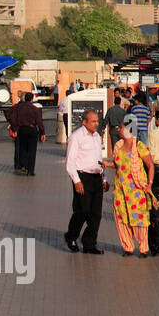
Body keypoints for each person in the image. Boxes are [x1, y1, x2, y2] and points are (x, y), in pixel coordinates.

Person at [110, 120, 158, 258]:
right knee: (121, 218)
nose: (119, 129)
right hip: (120, 190)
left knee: (140, 219)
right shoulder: (118, 146)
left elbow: (150, 165)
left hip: (136, 190)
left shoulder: (139, 146)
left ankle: (143, 248)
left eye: (122, 127)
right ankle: (128, 247)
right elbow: (117, 164)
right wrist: (108, 164)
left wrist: (149, 183)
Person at [64, 109, 108, 254]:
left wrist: (104, 177)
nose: (96, 124)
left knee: (96, 214)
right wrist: (76, 181)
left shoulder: (96, 136)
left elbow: (98, 159)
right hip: (82, 177)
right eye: (93, 121)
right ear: (84, 122)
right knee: (82, 210)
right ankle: (71, 236)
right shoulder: (76, 137)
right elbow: (70, 161)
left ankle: (89, 243)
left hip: (96, 177)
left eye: (97, 121)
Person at [13, 91, 45, 176]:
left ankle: (24, 166)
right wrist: (42, 133)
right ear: (31, 99)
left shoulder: (19, 108)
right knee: (32, 150)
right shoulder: (35, 109)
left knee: (22, 148)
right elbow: (39, 122)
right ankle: (30, 170)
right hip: (32, 130)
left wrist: (14, 129)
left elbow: (14, 118)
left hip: (22, 129)